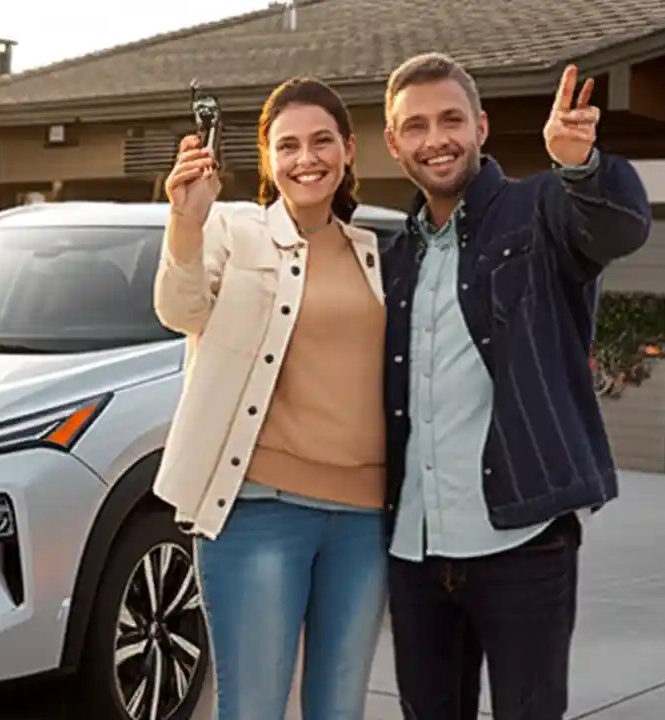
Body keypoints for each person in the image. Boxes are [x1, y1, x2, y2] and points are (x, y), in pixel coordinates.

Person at [376, 52, 651, 719]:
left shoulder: (542, 209)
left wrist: (580, 164)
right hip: (415, 548)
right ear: (394, 143)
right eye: (416, 126)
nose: (435, 139)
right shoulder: (394, 259)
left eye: (451, 120)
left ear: (481, 127)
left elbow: (621, 226)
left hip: (522, 541)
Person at [152, 76, 389, 719]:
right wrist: (186, 219)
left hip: (364, 519)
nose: (306, 158)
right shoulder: (235, 230)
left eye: (321, 141)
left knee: (339, 708)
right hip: (260, 510)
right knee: (254, 706)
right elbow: (181, 309)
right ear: (267, 158)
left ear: (348, 150)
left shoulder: (373, 253)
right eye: (287, 145)